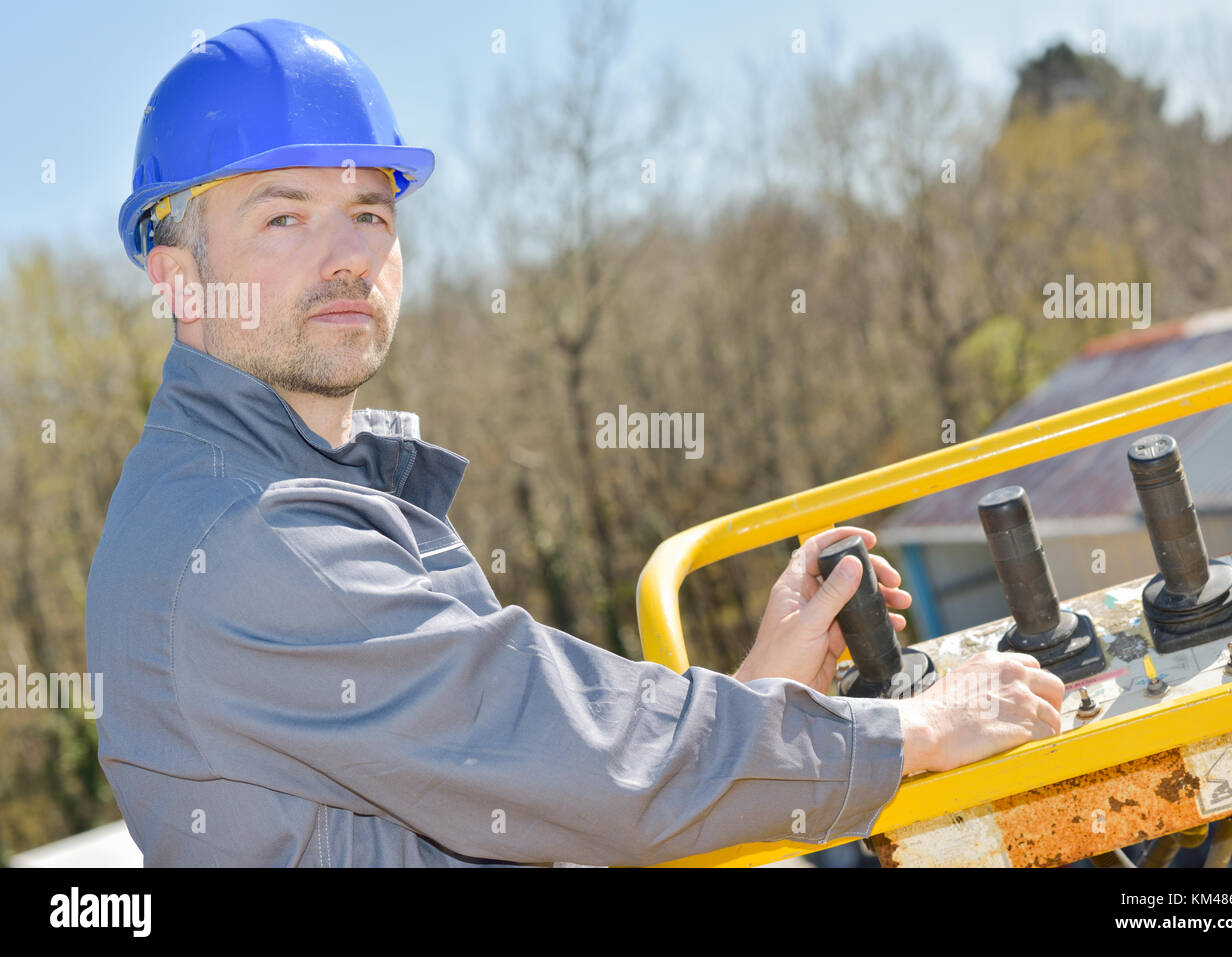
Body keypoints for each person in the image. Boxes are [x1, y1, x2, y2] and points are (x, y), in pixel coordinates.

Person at [86, 19, 1063, 867]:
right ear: (177, 278)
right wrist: (909, 730)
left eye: (368, 213)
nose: (346, 254)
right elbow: (547, 738)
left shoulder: (285, 488)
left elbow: (537, 783)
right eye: (283, 216)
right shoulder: (251, 534)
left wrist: (761, 698)